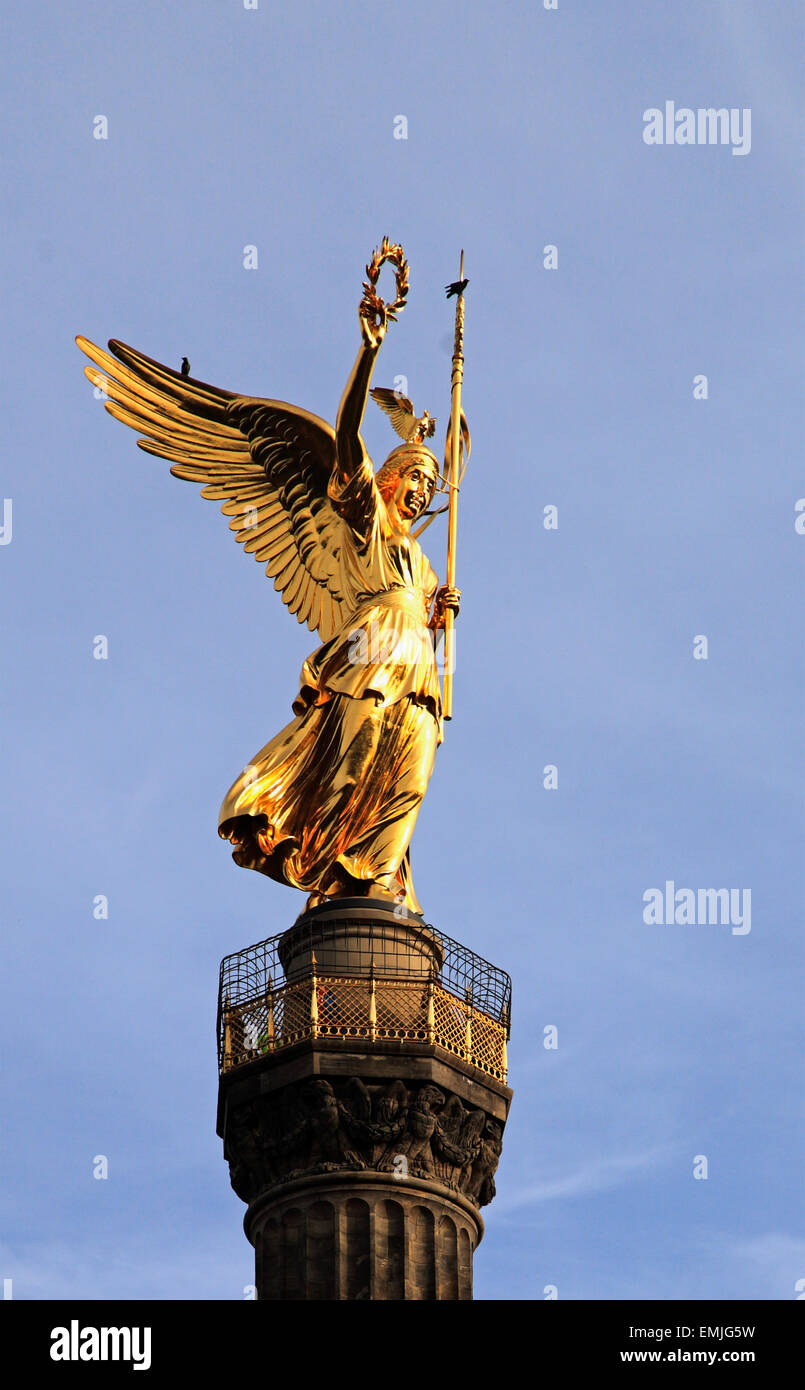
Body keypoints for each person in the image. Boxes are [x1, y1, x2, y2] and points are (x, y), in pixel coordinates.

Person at [217, 305, 460, 914]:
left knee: (413, 774)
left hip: (417, 672)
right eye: (415, 478)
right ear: (389, 478)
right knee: (353, 763)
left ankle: (379, 882)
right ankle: (330, 867)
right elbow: (347, 434)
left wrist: (443, 621)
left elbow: (442, 649)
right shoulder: (366, 526)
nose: (423, 492)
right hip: (369, 655)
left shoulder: (427, 567)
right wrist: (369, 350)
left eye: (431, 488)